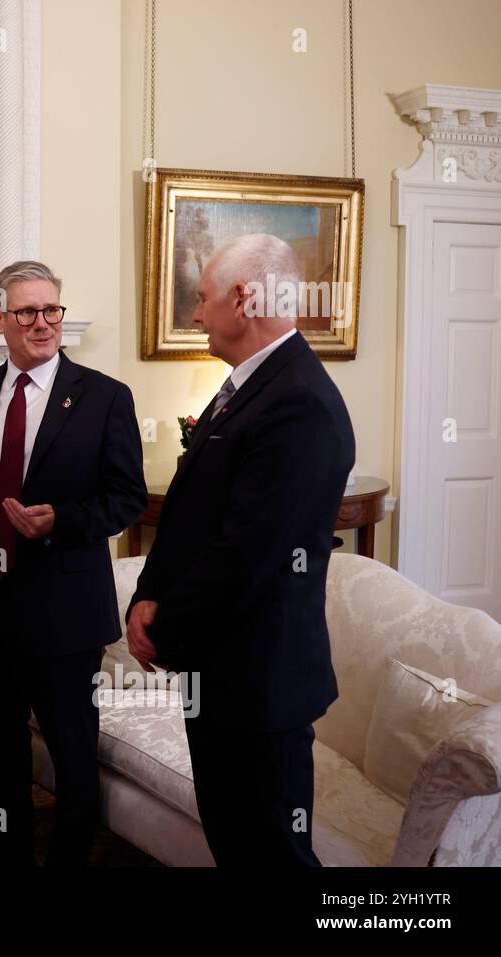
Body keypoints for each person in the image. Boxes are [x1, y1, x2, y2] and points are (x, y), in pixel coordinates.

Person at [125, 233, 355, 867]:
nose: (195, 314)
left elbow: (248, 553)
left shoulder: (300, 402)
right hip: (224, 674)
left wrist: (162, 627)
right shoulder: (249, 385)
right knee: (235, 845)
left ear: (246, 297)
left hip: (261, 680)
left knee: (273, 855)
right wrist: (148, 594)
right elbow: (193, 516)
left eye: (202, 300)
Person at [0, 260, 147, 866]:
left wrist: (62, 521)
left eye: (52, 310)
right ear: (0, 320)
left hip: (65, 609)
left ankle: (70, 858)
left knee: (72, 749)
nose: (42, 323)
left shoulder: (106, 397)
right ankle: (10, 853)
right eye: (26, 311)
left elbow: (126, 498)